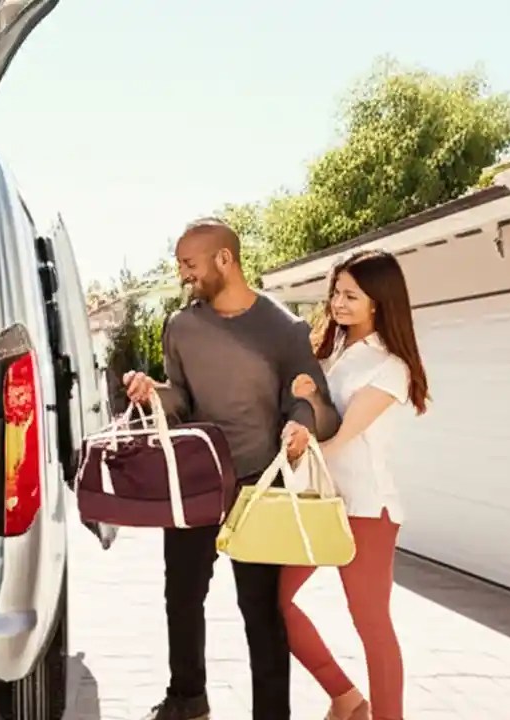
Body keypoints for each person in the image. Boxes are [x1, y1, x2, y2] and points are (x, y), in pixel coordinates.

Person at [123, 217, 342, 720]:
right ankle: (188, 700)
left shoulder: (283, 329)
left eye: (189, 264)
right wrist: (153, 392)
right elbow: (181, 400)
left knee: (261, 611)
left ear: (225, 259)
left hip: (258, 487)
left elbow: (313, 402)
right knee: (181, 596)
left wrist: (302, 423)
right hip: (197, 481)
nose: (183, 275)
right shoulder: (181, 326)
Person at [280, 249, 429, 720]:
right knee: (272, 603)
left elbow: (342, 435)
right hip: (321, 502)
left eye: (351, 296)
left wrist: (302, 445)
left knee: (371, 625)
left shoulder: (390, 366)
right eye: (336, 293)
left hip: (366, 509)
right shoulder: (329, 353)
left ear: (378, 302)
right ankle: (347, 699)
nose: (338, 303)